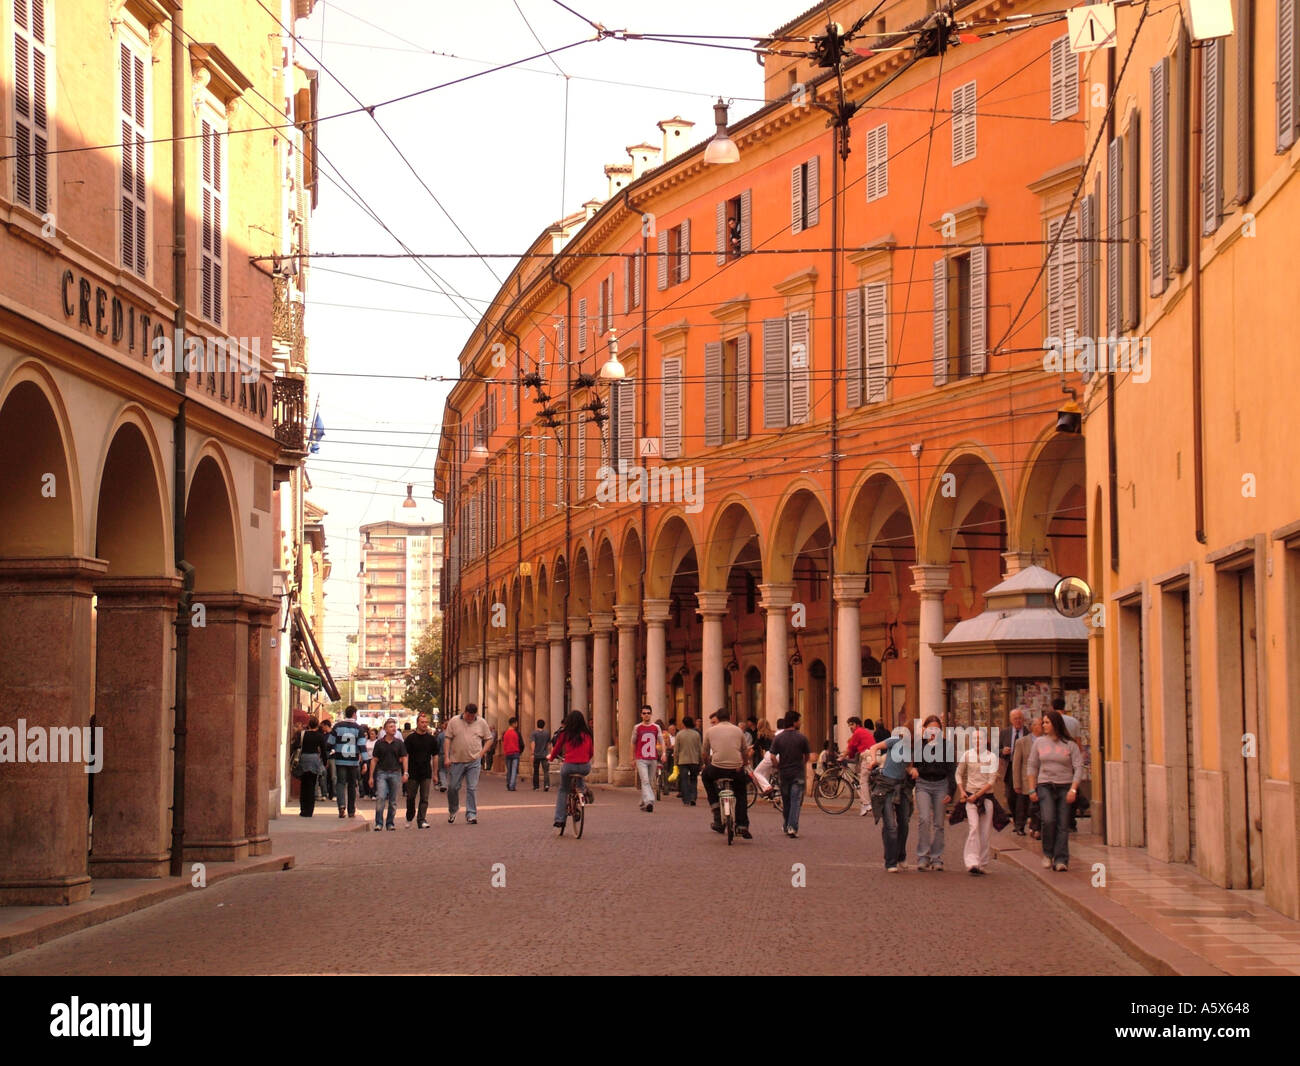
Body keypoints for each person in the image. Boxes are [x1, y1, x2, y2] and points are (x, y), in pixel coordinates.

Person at [1027, 709, 1084, 872]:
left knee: (1063, 824)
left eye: (1046, 722)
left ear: (1055, 724)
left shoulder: (1070, 745)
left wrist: (1073, 789)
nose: (1043, 725)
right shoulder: (1039, 742)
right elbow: (1032, 765)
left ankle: (1061, 859)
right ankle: (1047, 853)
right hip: (1045, 785)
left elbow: (1078, 767)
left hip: (1065, 786)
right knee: (1049, 820)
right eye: (1043, 722)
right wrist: (1032, 789)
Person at [867, 723, 916, 872]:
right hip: (886, 785)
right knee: (891, 826)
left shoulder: (914, 748)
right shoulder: (894, 740)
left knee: (904, 823)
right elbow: (874, 747)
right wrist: (873, 760)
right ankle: (891, 862)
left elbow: (906, 765)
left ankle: (901, 855)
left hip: (902, 786)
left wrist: (912, 769)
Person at [912, 715, 956, 871]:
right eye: (930, 728)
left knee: (939, 823)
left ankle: (936, 857)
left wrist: (951, 791)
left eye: (936, 729)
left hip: (941, 785)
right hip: (923, 784)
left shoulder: (947, 746)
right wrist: (914, 770)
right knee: (924, 819)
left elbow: (952, 770)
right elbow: (913, 765)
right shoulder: (919, 745)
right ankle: (923, 856)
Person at [702, 707, 752, 838]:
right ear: (730, 718)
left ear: (717, 718)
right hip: (735, 768)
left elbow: (704, 752)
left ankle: (715, 806)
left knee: (705, 777)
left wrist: (707, 764)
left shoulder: (710, 731)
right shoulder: (738, 730)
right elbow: (744, 751)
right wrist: (744, 763)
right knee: (741, 792)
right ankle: (742, 824)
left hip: (717, 767)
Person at [956, 728, 1000, 875]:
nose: (977, 741)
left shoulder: (992, 757)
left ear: (985, 740)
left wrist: (978, 795)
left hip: (986, 798)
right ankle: (971, 861)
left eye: (980, 738)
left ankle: (982, 862)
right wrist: (962, 791)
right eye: (974, 739)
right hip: (970, 797)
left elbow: (992, 780)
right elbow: (958, 774)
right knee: (973, 827)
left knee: (985, 830)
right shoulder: (967, 755)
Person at [444, 703, 494, 824]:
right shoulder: (454, 721)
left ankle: (471, 814)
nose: (470, 718)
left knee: (472, 788)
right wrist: (446, 756)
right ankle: (453, 808)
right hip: (457, 760)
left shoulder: (481, 722)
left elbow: (489, 739)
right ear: (464, 712)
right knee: (452, 787)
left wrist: (481, 753)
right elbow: (447, 738)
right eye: (468, 716)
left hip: (474, 761)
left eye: (472, 716)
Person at [769, 710, 811, 838]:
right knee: (796, 801)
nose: (800, 722)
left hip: (784, 773)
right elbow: (807, 756)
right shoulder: (802, 737)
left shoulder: (778, 738)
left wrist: (778, 766)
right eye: (799, 720)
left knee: (786, 801)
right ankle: (792, 826)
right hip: (797, 772)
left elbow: (772, 756)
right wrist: (802, 763)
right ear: (794, 722)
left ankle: (787, 823)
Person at [549, 710, 594, 828]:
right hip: (585, 767)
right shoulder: (587, 734)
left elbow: (557, 748)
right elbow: (591, 752)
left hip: (569, 765)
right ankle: (582, 790)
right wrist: (585, 759)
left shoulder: (565, 733)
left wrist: (551, 758)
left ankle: (559, 819)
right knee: (580, 777)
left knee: (563, 789)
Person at [368, 718, 408, 831]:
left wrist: (405, 772)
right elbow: (374, 760)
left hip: (395, 773)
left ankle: (390, 822)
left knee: (393, 800)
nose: (393, 728)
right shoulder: (379, 743)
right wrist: (371, 776)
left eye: (394, 726)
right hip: (382, 773)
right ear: (385, 729)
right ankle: (379, 822)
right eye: (391, 727)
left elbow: (404, 758)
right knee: (380, 797)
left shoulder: (399, 743)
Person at [328, 706, 366, 819]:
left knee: (340, 783)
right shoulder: (359, 729)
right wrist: (365, 762)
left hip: (340, 760)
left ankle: (341, 806)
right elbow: (362, 746)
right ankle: (351, 810)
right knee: (352, 785)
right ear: (354, 714)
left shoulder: (337, 726)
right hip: (353, 761)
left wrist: (330, 754)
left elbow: (329, 743)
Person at [403, 713, 438, 828]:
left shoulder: (431, 739)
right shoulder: (410, 739)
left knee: (424, 798)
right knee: (411, 796)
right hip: (412, 772)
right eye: (422, 722)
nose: (424, 724)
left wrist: (435, 773)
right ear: (417, 723)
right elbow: (405, 756)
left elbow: (435, 756)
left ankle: (421, 819)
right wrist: (405, 771)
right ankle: (409, 816)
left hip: (426, 772)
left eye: (426, 722)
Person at [1011, 714, 1044, 835]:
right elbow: (1016, 764)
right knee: (1023, 805)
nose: (1043, 727)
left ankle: (1035, 828)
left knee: (1037, 806)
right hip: (1026, 779)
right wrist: (1017, 783)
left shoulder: (1047, 740)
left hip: (1042, 778)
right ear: (1034, 727)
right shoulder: (1022, 742)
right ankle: (1020, 826)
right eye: (1041, 724)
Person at [633, 705, 664, 813]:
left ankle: (643, 801)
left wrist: (663, 753)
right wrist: (632, 758)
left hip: (653, 757)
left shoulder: (656, 727)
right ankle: (649, 801)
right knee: (645, 780)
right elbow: (632, 742)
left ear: (651, 714)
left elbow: (661, 741)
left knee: (650, 782)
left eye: (648, 713)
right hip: (641, 758)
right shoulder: (637, 727)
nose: (646, 715)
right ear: (641, 715)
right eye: (644, 713)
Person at [843, 716, 875, 816]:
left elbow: (850, 747)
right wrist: (849, 755)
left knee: (863, 781)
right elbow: (853, 749)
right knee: (861, 778)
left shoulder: (858, 732)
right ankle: (863, 806)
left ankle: (866, 803)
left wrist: (842, 757)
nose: (850, 727)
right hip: (869, 756)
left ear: (857, 724)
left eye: (852, 724)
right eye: (849, 725)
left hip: (868, 757)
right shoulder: (863, 732)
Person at [296, 716, 327, 817]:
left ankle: (303, 809)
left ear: (308, 724)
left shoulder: (302, 734)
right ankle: (309, 810)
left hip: (304, 758)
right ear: (317, 725)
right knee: (312, 785)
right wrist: (324, 762)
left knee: (304, 785)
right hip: (314, 760)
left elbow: (296, 746)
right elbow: (323, 750)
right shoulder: (319, 736)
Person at [1001, 708, 1029, 807]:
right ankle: (1016, 815)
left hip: (1024, 768)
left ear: (1023, 719)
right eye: (1015, 718)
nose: (1018, 721)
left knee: (1023, 795)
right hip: (1010, 768)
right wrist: (1002, 751)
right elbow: (996, 750)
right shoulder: (1005, 732)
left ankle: (1020, 820)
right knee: (1010, 796)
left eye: (1020, 718)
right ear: (1011, 720)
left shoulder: (1028, 733)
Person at [752, 716, 786, 794]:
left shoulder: (760, 735)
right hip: (778, 755)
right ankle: (774, 794)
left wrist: (746, 757)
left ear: (759, 725)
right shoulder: (772, 734)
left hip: (769, 756)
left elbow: (754, 748)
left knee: (757, 772)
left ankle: (767, 787)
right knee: (767, 774)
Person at [674, 716, 702, 805]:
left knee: (684, 780)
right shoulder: (696, 734)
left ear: (683, 724)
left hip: (682, 761)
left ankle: (686, 799)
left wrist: (675, 762)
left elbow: (676, 750)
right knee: (694, 779)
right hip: (694, 760)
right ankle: (693, 797)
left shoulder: (679, 734)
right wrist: (701, 761)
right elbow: (699, 749)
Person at [501, 716, 524, 791]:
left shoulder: (505, 733)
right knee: (514, 770)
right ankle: (512, 785)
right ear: (514, 723)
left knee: (509, 770)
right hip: (515, 752)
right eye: (516, 723)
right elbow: (521, 744)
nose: (517, 724)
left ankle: (508, 783)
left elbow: (503, 743)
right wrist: (520, 752)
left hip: (507, 753)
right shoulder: (517, 733)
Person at [530, 718, 552, 791]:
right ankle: (546, 785)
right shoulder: (547, 733)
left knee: (536, 771)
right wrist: (549, 753)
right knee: (546, 771)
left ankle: (536, 786)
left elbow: (533, 743)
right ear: (544, 725)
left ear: (537, 725)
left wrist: (532, 753)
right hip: (545, 754)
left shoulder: (534, 733)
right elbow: (549, 744)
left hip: (536, 754)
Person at [319, 718, 335, 800]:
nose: (321, 728)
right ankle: (324, 794)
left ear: (326, 726)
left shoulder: (333, 734)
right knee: (323, 776)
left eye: (322, 726)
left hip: (332, 757)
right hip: (323, 757)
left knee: (333, 777)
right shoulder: (323, 735)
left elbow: (334, 746)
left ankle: (333, 794)